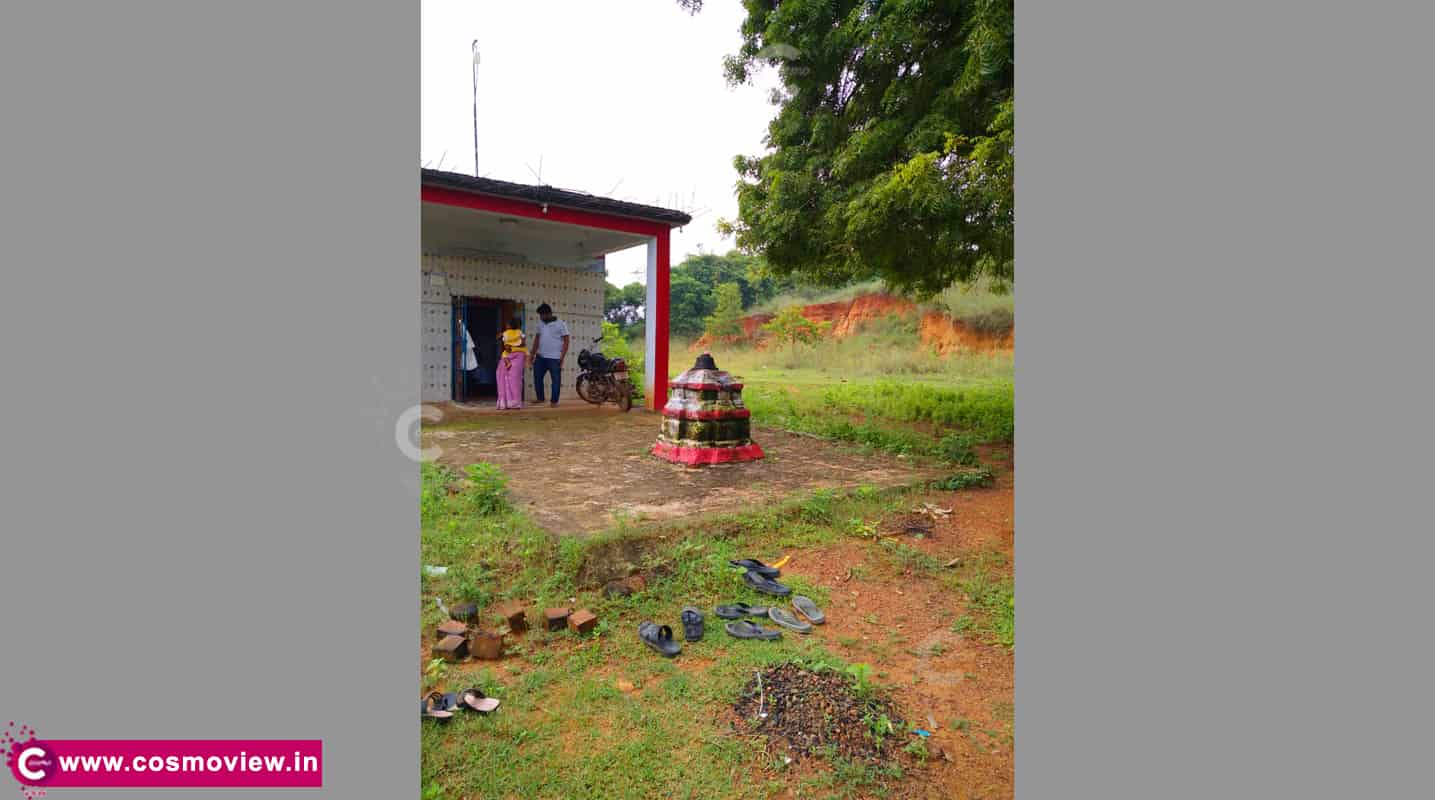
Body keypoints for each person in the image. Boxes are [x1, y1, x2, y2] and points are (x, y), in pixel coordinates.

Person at [530, 303, 570, 407]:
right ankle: (540, 398)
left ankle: (554, 402)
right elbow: (537, 338)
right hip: (540, 356)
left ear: (549, 314)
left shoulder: (561, 324)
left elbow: (566, 341)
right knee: (537, 378)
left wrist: (562, 356)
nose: (541, 317)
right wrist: (532, 354)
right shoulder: (540, 323)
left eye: (542, 315)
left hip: (555, 357)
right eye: (540, 316)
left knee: (556, 380)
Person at [496, 318, 527, 410]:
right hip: (519, 356)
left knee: (501, 376)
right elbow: (523, 343)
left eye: (507, 324)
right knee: (515, 380)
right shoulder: (520, 333)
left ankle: (504, 403)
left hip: (508, 354)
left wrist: (504, 335)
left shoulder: (506, 333)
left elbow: (498, 338)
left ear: (509, 325)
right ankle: (515, 403)